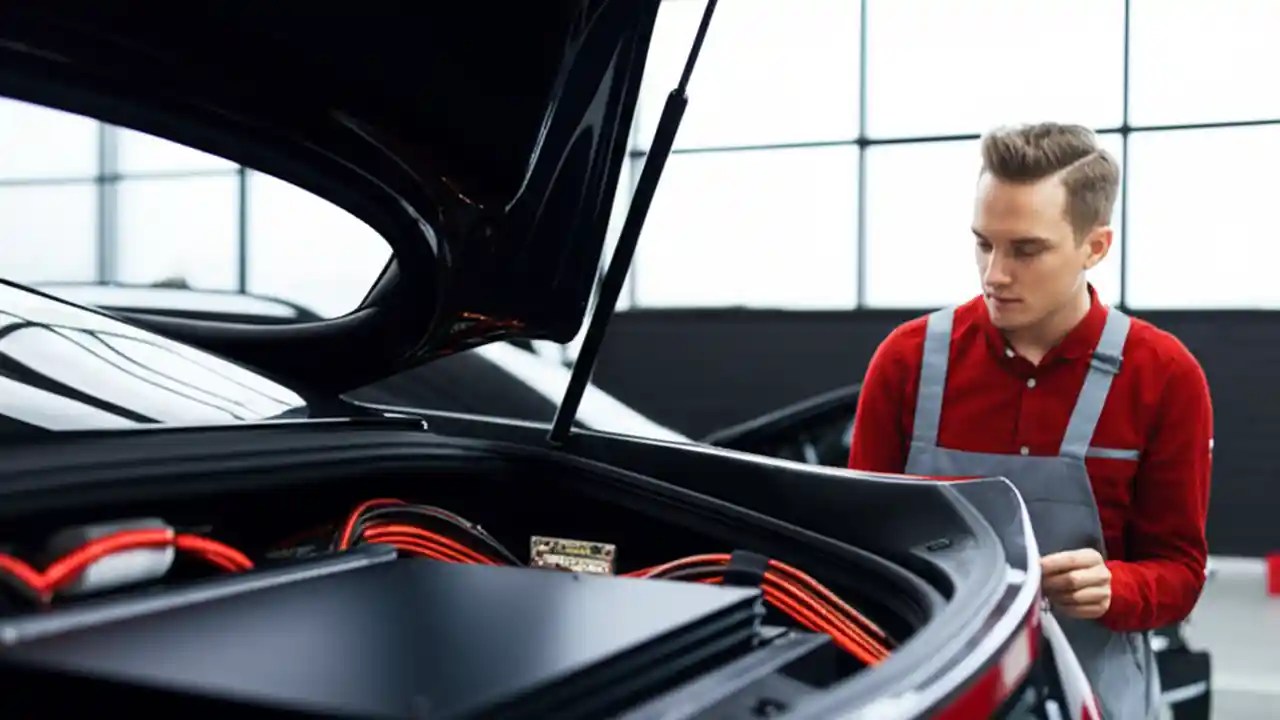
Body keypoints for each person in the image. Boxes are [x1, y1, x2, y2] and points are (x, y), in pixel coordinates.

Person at [847, 122, 1213, 719]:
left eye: (1025, 249)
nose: (994, 274)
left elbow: (1180, 572)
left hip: (1094, 697)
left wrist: (1117, 588)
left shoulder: (1165, 376)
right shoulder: (905, 362)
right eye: (983, 243)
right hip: (929, 690)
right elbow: (854, 544)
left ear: (1095, 247)